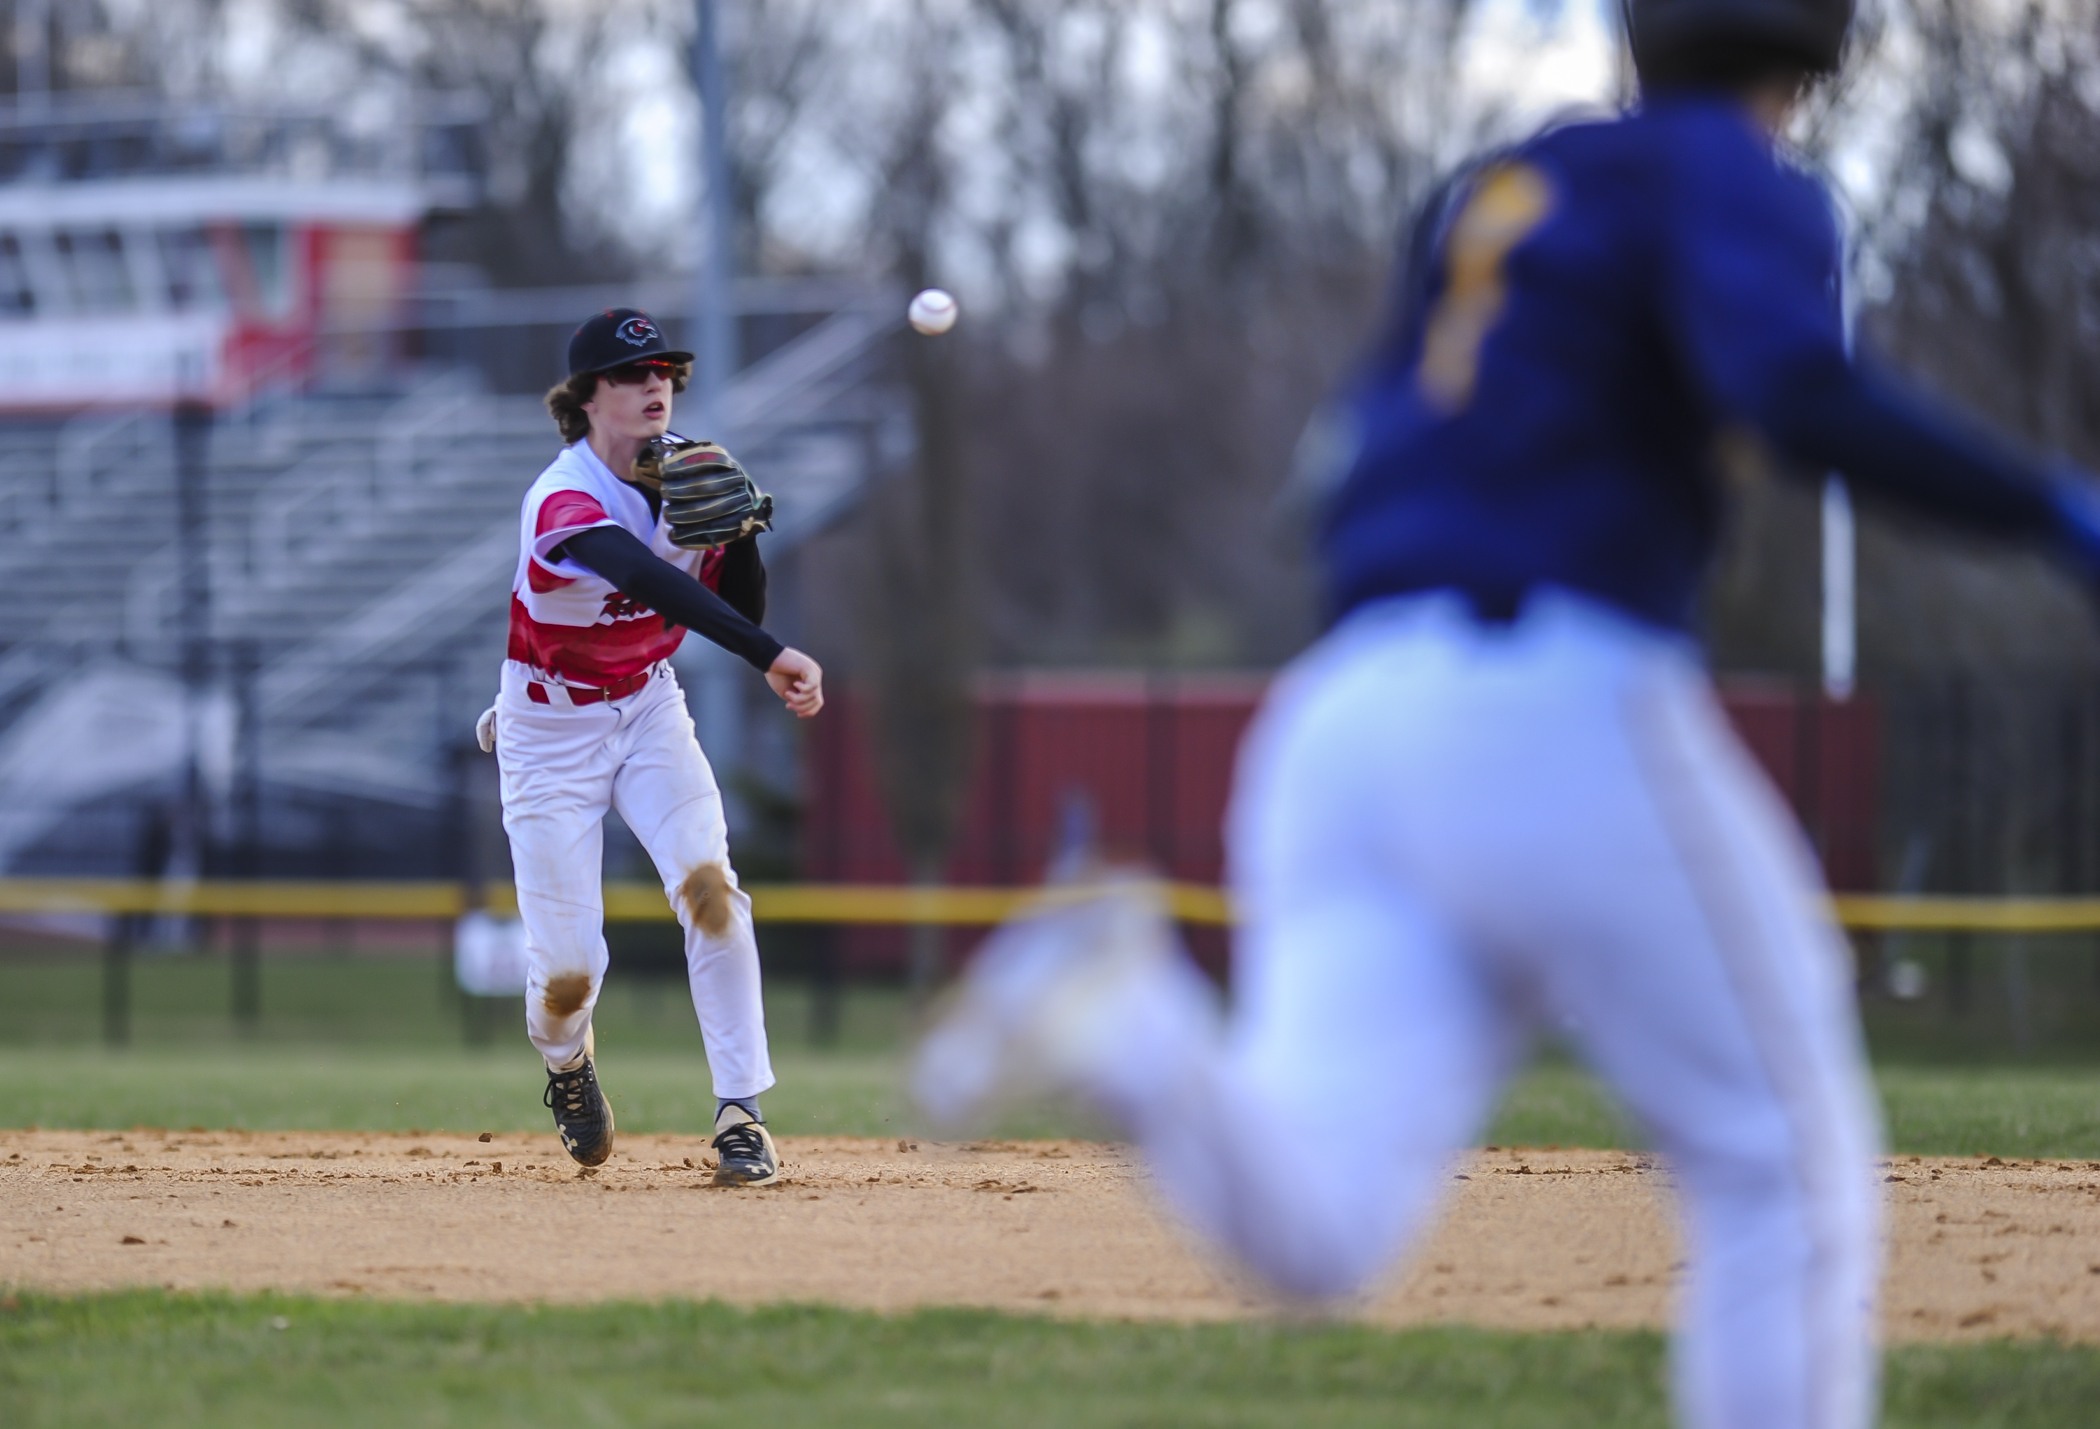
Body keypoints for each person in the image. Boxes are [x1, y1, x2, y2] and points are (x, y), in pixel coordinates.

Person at [914, 4, 2100, 1426]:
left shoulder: (1497, 188)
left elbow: (1347, 460)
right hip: (1551, 700)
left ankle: (1133, 1022)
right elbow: (1790, 388)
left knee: (1321, 1231)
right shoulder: (1727, 172)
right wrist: (2047, 509)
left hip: (1344, 718)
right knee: (1777, 1168)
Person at [484, 307, 823, 1186]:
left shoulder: (687, 474)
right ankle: (568, 1067)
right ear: (587, 397)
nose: (656, 385)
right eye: (634, 374)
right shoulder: (563, 500)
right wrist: (772, 656)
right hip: (547, 730)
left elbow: (734, 602)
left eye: (666, 371)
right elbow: (647, 579)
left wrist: (741, 530)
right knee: (564, 978)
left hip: (646, 712)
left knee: (710, 889)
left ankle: (742, 1113)